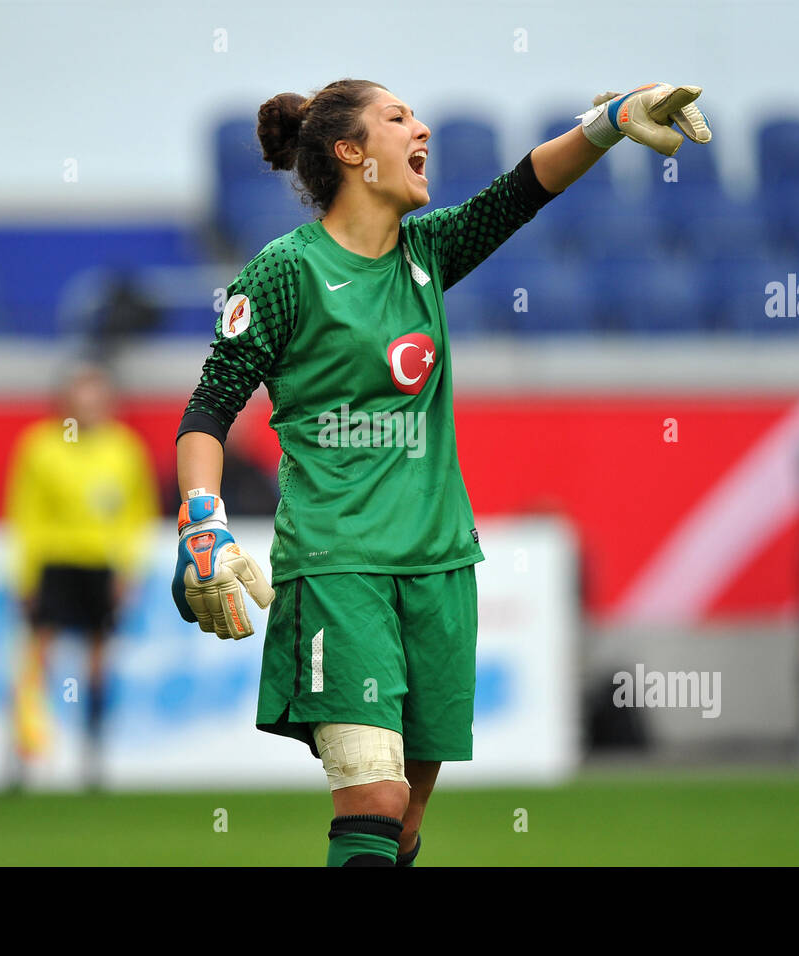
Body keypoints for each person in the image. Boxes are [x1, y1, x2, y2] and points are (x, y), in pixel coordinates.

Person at [172, 79, 710, 865]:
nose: (420, 128)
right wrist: (201, 520)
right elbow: (207, 411)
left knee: (406, 821)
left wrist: (615, 122)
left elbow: (522, 191)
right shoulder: (283, 274)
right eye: (397, 119)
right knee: (374, 795)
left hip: (440, 569)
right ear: (350, 152)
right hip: (339, 567)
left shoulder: (428, 252)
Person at [4, 361, 157, 787]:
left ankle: (92, 756)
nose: (88, 407)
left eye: (96, 398)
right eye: (80, 398)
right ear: (65, 402)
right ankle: (24, 753)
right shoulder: (40, 447)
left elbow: (135, 515)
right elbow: (26, 515)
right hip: (55, 562)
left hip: (100, 566)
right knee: (38, 659)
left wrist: (128, 570)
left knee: (97, 662)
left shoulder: (124, 448)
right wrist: (26, 576)